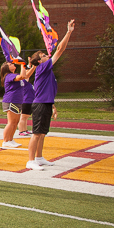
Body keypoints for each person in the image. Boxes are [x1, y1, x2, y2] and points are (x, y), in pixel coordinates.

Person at [27, 20, 75, 170]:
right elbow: (59, 50)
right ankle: (30, 161)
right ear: (39, 61)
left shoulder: (47, 71)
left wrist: (53, 106)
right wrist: (69, 32)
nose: (47, 55)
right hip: (40, 105)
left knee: (42, 133)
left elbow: (47, 91)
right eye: (43, 55)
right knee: (36, 133)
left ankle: (39, 157)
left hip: (46, 103)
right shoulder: (42, 68)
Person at [0, 61, 33, 148]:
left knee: (15, 122)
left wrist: (34, 67)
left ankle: (10, 139)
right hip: (11, 100)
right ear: (6, 68)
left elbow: (26, 76)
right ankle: (5, 141)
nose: (13, 65)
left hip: (17, 101)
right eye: (10, 64)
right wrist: (22, 64)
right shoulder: (9, 76)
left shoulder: (15, 75)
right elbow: (22, 76)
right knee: (11, 122)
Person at [17, 57, 35, 137]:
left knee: (26, 117)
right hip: (26, 101)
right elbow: (27, 74)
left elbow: (27, 73)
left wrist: (29, 64)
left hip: (30, 101)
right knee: (23, 117)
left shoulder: (27, 83)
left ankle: (25, 130)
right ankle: (21, 130)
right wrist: (32, 66)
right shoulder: (24, 81)